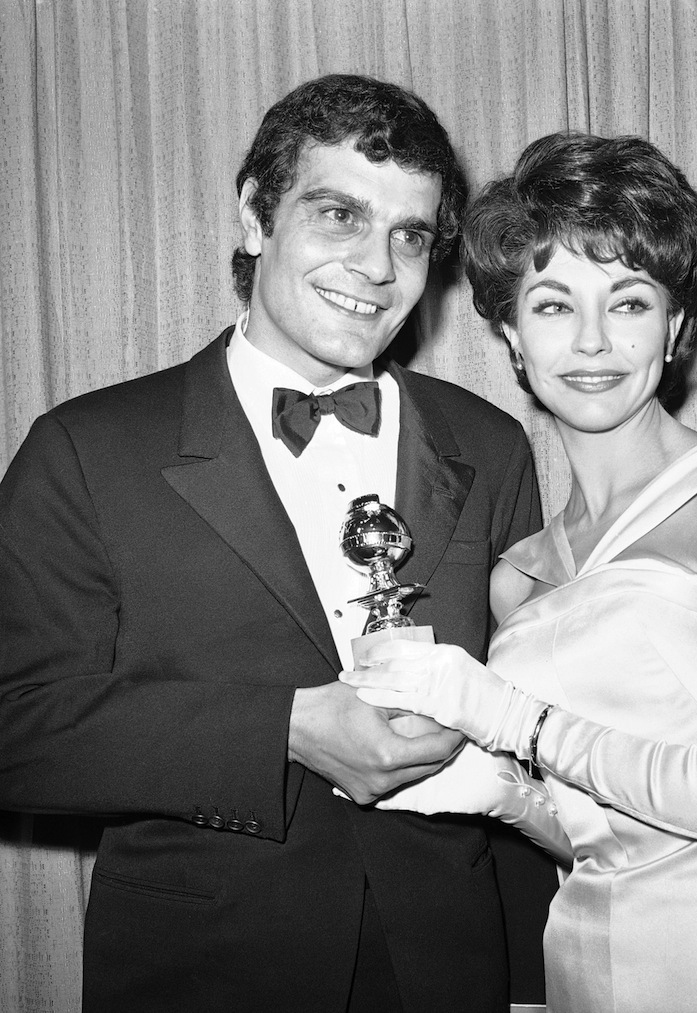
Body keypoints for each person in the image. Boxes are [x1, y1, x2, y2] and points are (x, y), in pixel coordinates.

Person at [0, 74, 559, 1012]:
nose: (378, 267)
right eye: (339, 214)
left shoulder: (491, 443)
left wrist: (534, 982)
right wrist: (283, 732)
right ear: (256, 215)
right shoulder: (87, 448)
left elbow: (530, 719)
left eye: (409, 236)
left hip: (452, 966)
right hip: (203, 968)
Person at [341, 132, 697, 1012]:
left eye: (628, 302)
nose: (591, 342)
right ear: (509, 332)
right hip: (590, 955)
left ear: (676, 325)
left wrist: (509, 716)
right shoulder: (519, 575)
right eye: (551, 305)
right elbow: (593, 831)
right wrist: (493, 792)